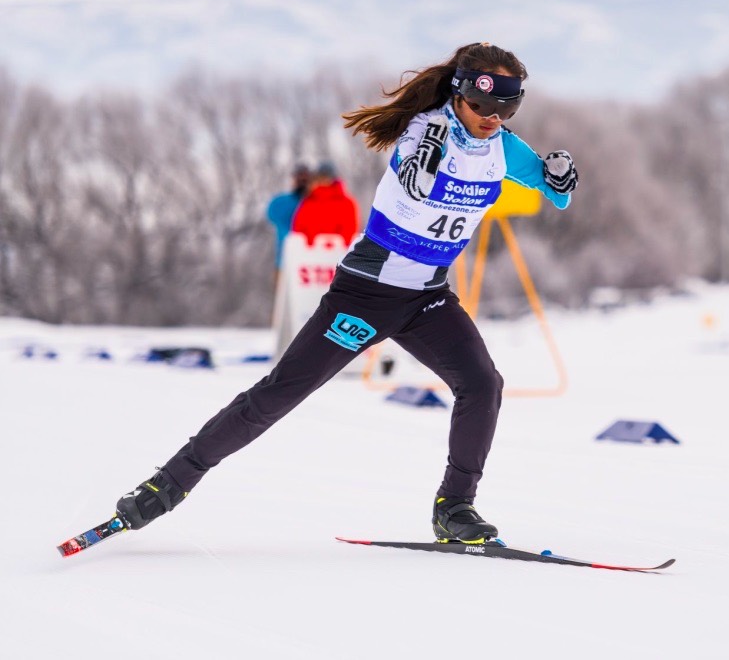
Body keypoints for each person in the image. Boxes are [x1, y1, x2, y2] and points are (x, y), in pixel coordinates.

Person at [112, 42, 580, 544]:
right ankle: (168, 484)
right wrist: (418, 165)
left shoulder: (502, 147)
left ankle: (455, 507)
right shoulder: (429, 131)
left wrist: (559, 176)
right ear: (459, 94)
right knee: (279, 395)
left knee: (483, 385)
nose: (492, 117)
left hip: (427, 298)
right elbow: (414, 178)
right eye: (483, 105)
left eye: (506, 107)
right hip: (367, 295)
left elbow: (556, 194)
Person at [290, 160, 360, 247]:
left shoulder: (346, 203)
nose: (323, 180)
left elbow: (349, 230)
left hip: (336, 256)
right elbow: (298, 229)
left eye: (326, 177)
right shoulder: (308, 202)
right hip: (311, 256)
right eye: (321, 177)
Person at [265, 163, 311, 275]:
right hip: (285, 261)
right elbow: (270, 215)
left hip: (309, 264)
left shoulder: (314, 203)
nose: (302, 180)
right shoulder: (281, 202)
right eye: (299, 177)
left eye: (305, 178)